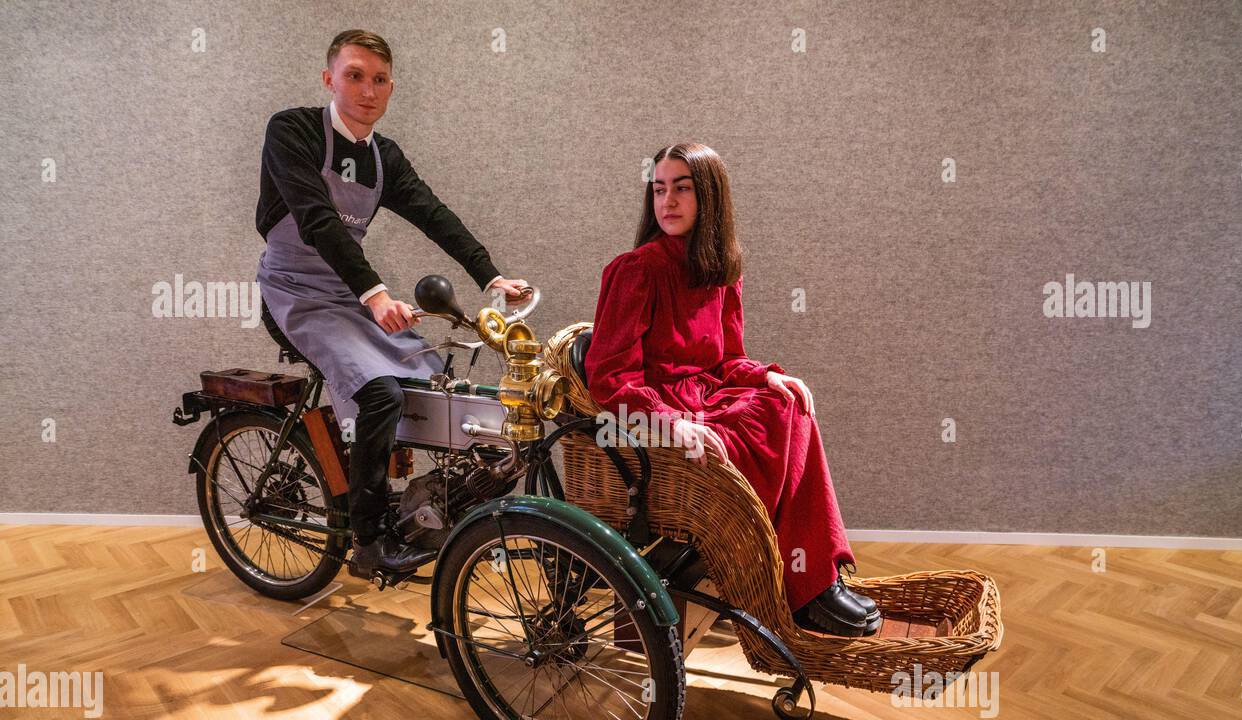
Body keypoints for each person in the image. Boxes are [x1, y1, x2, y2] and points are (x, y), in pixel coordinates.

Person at [255, 29, 530, 577]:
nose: (367, 89)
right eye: (354, 75)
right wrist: (376, 294)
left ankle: (423, 504)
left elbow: (434, 214)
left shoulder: (384, 158)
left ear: (391, 87)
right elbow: (317, 221)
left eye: (379, 79)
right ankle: (368, 540)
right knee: (380, 394)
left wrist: (491, 275)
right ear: (329, 78)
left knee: (429, 382)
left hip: (346, 290)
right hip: (295, 292)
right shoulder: (292, 131)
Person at [583, 143, 881, 638]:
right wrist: (671, 422)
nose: (667, 202)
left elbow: (725, 361)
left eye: (682, 189)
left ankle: (812, 578)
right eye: (659, 190)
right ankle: (796, 581)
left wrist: (766, 376)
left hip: (704, 395)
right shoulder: (638, 269)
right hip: (656, 408)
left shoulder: (719, 269)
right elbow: (609, 378)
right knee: (766, 430)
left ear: (710, 198)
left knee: (791, 407)